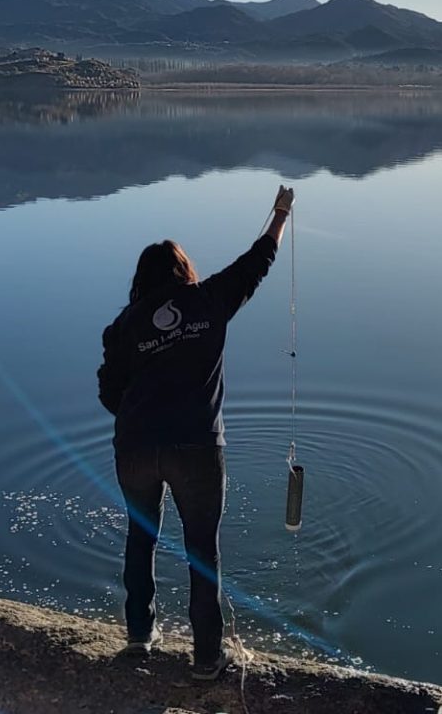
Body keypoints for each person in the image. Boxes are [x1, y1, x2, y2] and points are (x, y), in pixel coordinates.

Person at [97, 185, 294, 680]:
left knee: (140, 538)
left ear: (140, 280)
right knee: (201, 550)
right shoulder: (208, 300)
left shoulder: (123, 325)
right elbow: (258, 261)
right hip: (198, 449)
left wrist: (141, 421)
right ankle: (207, 659)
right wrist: (281, 214)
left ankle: (140, 635)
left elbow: (107, 392)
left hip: (136, 447)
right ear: (185, 273)